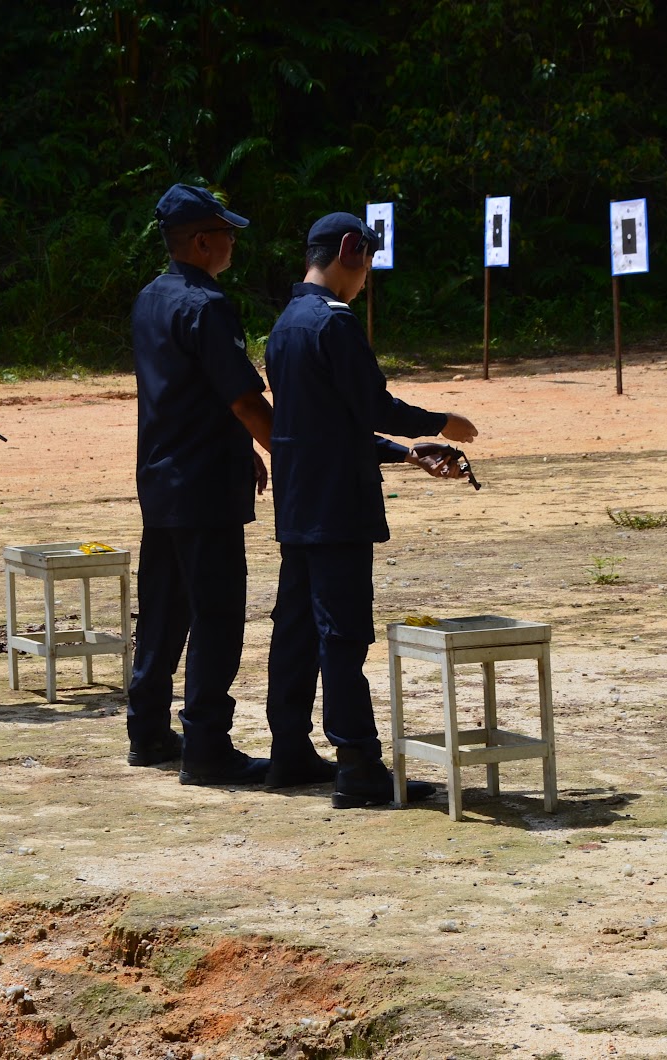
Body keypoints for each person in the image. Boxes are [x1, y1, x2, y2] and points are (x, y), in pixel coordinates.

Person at [264, 212, 479, 808]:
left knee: (296, 631)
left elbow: (330, 423)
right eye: (368, 265)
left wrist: (407, 454)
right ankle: (357, 763)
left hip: (300, 502)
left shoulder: (284, 325)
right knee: (342, 636)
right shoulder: (334, 322)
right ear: (351, 252)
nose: (366, 279)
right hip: (339, 507)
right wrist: (442, 422)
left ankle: (288, 751)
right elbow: (373, 405)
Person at [127, 184, 277, 786]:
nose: (233, 243)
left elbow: (190, 391)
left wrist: (245, 448)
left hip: (163, 477)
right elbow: (242, 398)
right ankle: (207, 745)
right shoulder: (207, 305)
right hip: (205, 485)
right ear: (201, 242)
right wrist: (288, 451)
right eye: (225, 233)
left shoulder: (150, 298)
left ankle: (147, 730)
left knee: (163, 611)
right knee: (216, 615)